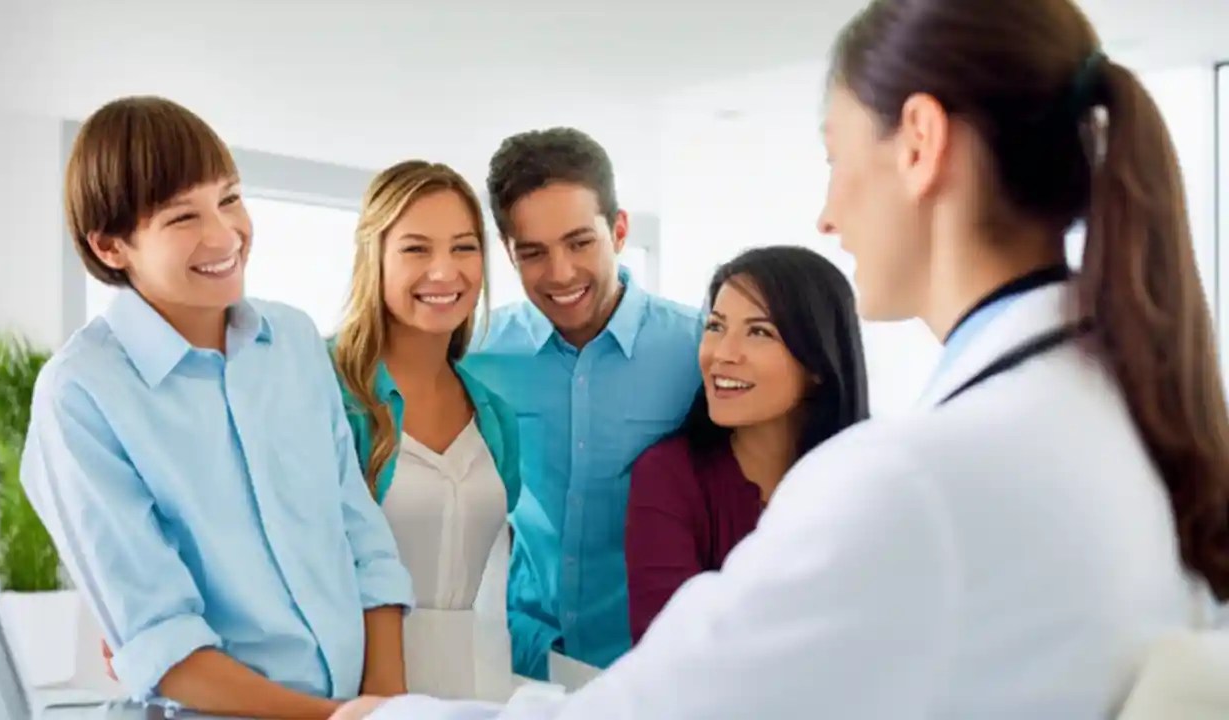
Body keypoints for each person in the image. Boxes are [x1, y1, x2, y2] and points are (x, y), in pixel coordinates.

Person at [330, 0, 1229, 717]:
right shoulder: (1120, 419)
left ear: (919, 143)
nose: (828, 215)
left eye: (836, 158)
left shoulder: (910, 480)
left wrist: (372, 717)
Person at [20, 96, 414, 719]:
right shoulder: (81, 394)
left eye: (229, 198)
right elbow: (159, 640)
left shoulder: (293, 341)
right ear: (111, 247)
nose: (225, 234)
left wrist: (389, 706)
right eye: (182, 217)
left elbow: (362, 539)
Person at [462, 128, 704, 677]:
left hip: (654, 666)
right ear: (508, 253)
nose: (561, 273)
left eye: (579, 242)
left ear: (618, 231)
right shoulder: (478, 356)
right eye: (534, 253)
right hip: (527, 657)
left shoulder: (697, 349)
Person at [330, 161, 521, 701]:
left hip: (484, 689)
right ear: (375, 257)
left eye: (464, 247)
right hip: (361, 695)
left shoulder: (496, 419)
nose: (445, 271)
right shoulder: (327, 392)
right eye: (416, 249)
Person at [625, 245, 869, 642]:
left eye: (759, 332)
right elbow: (668, 651)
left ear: (818, 362)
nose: (722, 354)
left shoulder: (868, 479)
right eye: (716, 326)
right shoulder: (668, 476)